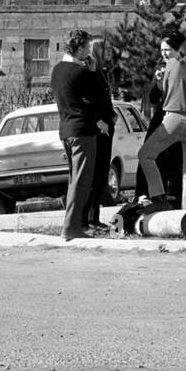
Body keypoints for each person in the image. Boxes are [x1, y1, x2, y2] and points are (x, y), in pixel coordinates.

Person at [137, 34, 186, 210]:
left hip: (174, 118)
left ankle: (158, 195)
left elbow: (165, 90)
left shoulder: (172, 63)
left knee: (146, 155)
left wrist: (159, 79)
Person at [51, 29, 110, 240]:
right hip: (83, 131)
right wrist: (94, 72)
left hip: (65, 129)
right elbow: (97, 97)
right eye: (86, 47)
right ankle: (71, 227)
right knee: (82, 181)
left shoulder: (57, 70)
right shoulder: (81, 72)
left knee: (73, 180)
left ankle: (71, 223)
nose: (88, 52)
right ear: (77, 47)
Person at [81, 38, 115, 231]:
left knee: (101, 174)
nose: (108, 54)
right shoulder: (89, 73)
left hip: (107, 126)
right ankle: (85, 218)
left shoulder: (101, 72)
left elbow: (103, 99)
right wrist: (100, 119)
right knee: (93, 174)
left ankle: (94, 217)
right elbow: (89, 100)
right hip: (98, 128)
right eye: (105, 50)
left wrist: (112, 114)